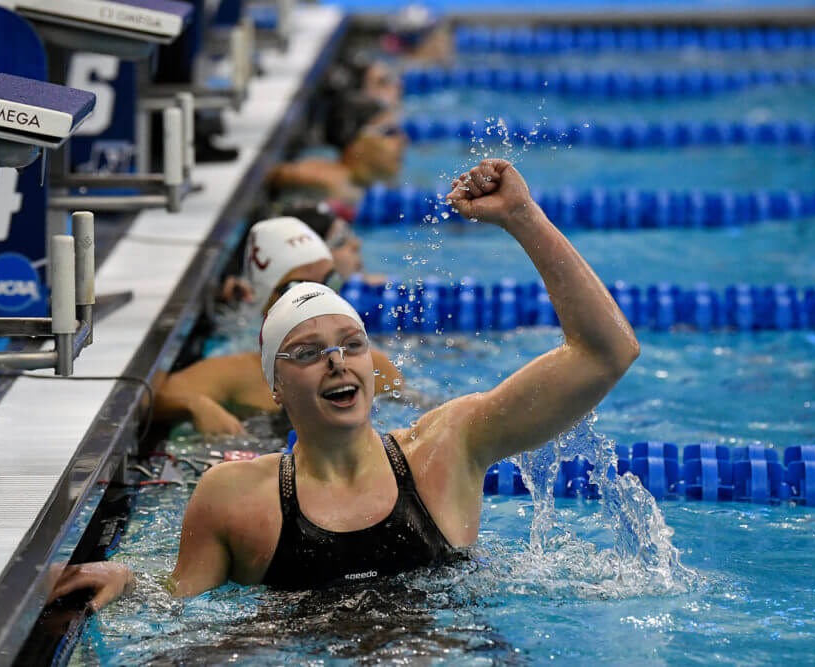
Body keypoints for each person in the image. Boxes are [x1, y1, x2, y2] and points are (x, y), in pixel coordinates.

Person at [64, 158, 640, 605]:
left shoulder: (449, 446)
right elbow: (178, 609)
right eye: (309, 352)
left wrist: (523, 217)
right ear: (275, 387)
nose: (337, 361)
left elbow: (606, 354)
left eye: (352, 344)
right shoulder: (233, 496)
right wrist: (129, 582)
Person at [154, 217, 402, 435]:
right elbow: (151, 397)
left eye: (329, 281)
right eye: (297, 287)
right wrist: (195, 405)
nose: (318, 297)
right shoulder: (236, 374)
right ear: (265, 302)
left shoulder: (375, 368)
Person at [267, 95, 406, 208]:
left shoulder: (369, 185)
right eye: (390, 132)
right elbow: (275, 173)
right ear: (356, 142)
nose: (403, 140)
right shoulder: (331, 179)